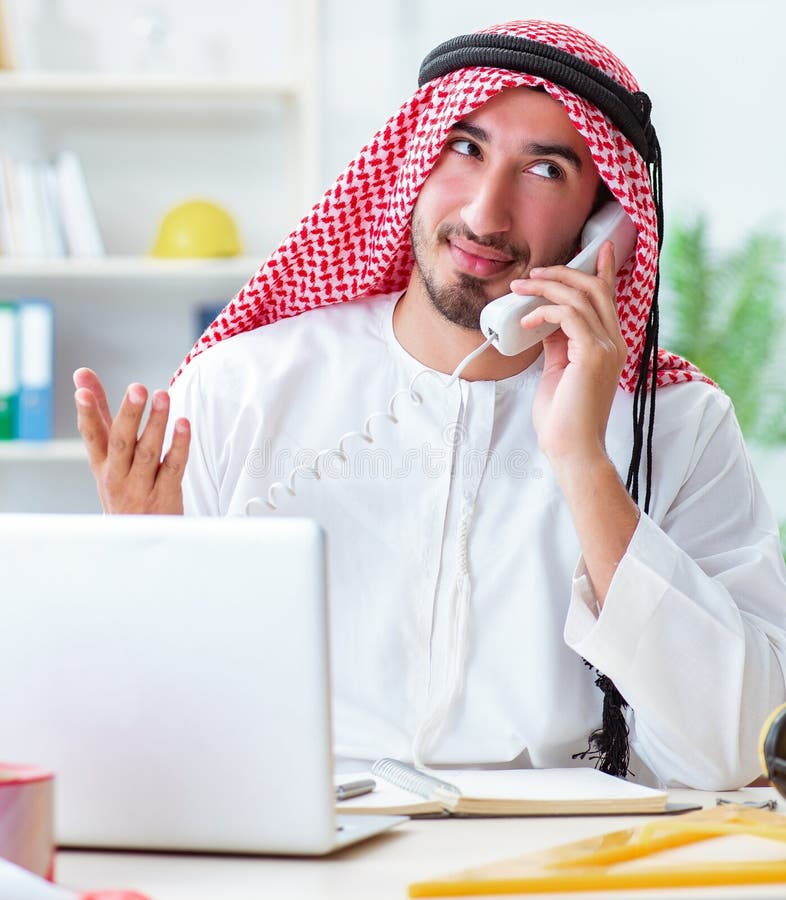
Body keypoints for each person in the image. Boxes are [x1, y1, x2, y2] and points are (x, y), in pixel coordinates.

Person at [74, 20, 786, 789]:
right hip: (308, 826)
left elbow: (739, 749)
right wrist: (146, 570)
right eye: (465, 148)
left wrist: (584, 464)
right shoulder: (239, 389)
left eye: (545, 169)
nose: (485, 213)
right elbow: (140, 727)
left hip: (565, 843)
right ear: (416, 156)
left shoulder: (676, 426)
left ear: (602, 225)